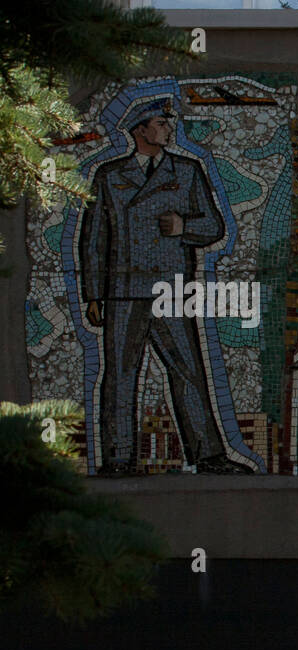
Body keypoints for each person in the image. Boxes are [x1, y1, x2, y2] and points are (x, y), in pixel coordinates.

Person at [78, 97, 250, 476]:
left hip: (172, 289)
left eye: (168, 122)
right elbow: (94, 239)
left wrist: (183, 226)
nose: (169, 128)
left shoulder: (187, 171)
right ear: (140, 130)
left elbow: (215, 227)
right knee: (120, 375)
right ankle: (118, 459)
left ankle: (208, 455)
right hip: (124, 289)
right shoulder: (109, 176)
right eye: (161, 123)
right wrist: (92, 293)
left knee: (188, 370)